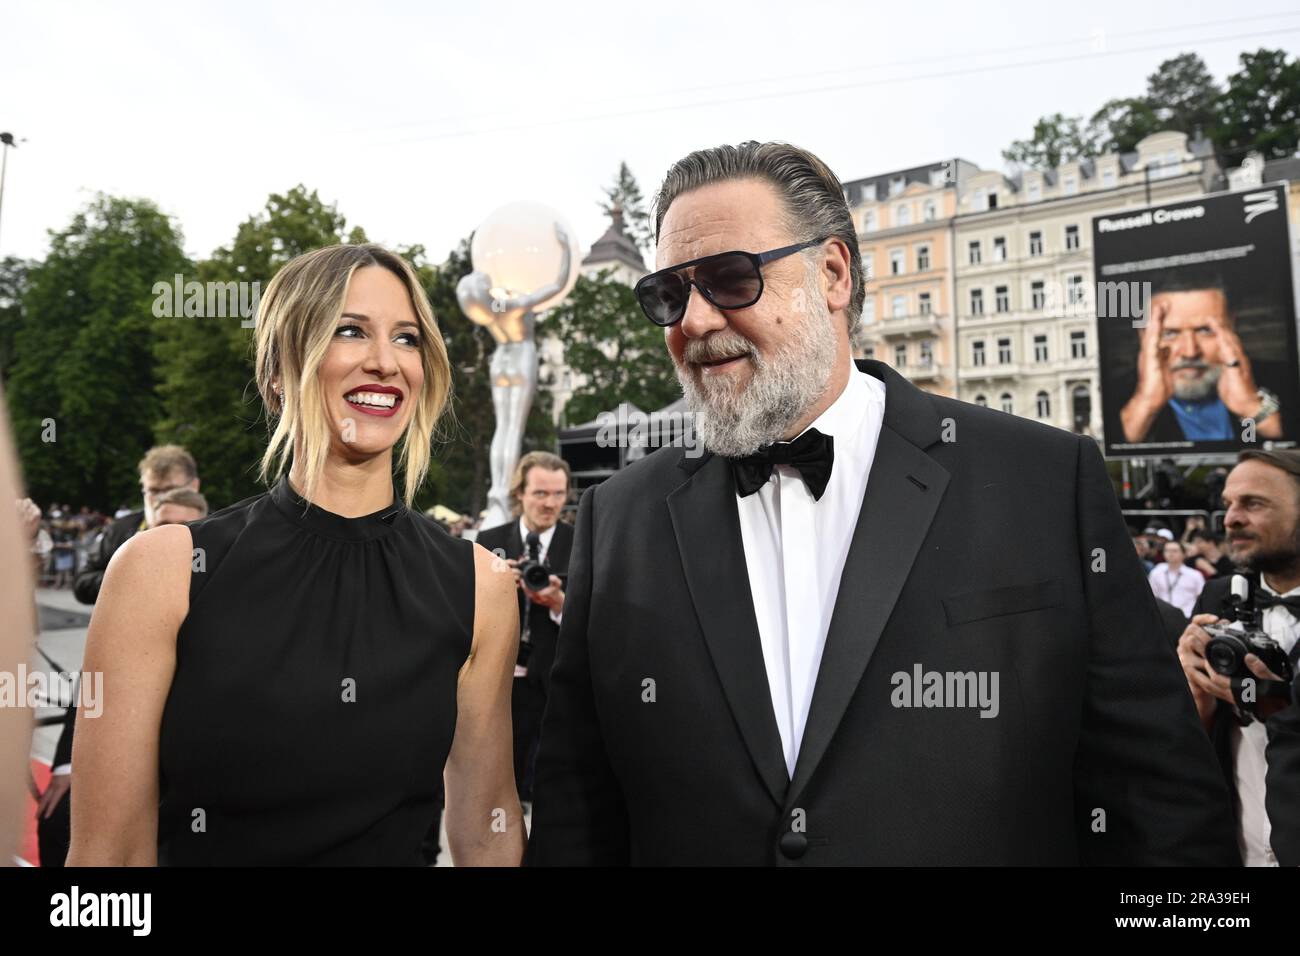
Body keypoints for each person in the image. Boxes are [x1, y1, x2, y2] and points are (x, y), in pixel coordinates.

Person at [527, 140, 1235, 866]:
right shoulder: (621, 518)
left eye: (732, 279)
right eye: (670, 295)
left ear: (832, 274)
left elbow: (1163, 806)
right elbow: (578, 807)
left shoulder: (1044, 482)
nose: (696, 321)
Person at [66, 243, 522, 866]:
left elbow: (487, 831)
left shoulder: (478, 586)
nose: (386, 362)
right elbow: (107, 858)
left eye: (408, 338)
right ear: (279, 373)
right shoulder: (163, 571)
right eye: (349, 330)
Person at [1177, 449, 1300, 865]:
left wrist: (1274, 702)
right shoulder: (1219, 597)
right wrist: (1194, 695)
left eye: (1253, 503)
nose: (1230, 519)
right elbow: (1195, 738)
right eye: (1228, 504)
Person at [474, 451, 573, 802]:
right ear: (520, 493)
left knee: (547, 783)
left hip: (552, 682)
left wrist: (560, 605)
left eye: (558, 494)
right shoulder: (488, 541)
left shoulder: (581, 543)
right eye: (540, 493)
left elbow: (597, 618)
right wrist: (498, 587)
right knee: (493, 783)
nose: (550, 504)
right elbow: (468, 613)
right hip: (497, 680)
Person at [1120, 274, 1284, 444]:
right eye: (1170, 333)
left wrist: (1251, 407)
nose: (1190, 352)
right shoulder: (1117, 397)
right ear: (1143, 335)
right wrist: (1145, 406)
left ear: (1231, 326)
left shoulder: (1285, 379)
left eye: (1205, 330)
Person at [73, 445, 201, 606]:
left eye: (171, 490)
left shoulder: (220, 528)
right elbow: (81, 584)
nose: (162, 499)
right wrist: (128, 579)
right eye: (153, 491)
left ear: (194, 486)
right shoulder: (121, 529)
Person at [1148, 540, 1203, 616]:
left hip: (1187, 615)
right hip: (1163, 615)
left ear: (1184, 554)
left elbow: (1200, 597)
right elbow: (1152, 595)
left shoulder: (1195, 575)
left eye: (1175, 551)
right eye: (1167, 550)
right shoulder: (1156, 572)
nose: (1171, 554)